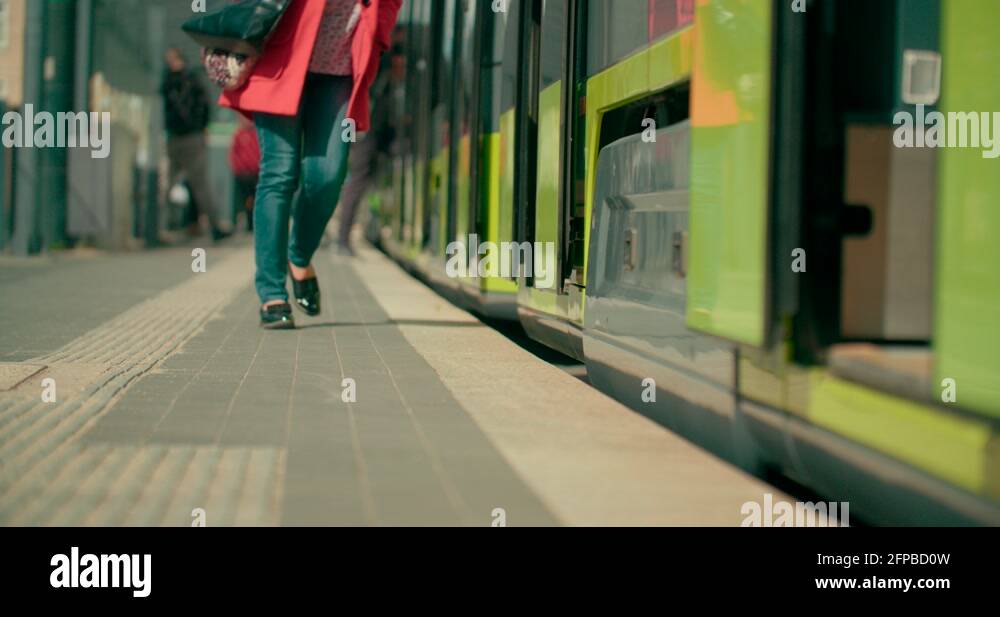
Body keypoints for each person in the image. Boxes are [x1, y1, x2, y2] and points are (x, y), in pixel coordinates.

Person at [219, 0, 403, 330]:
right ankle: (272, 293)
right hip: (280, 60)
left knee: (328, 175)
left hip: (340, 71)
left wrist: (378, 37)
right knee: (279, 173)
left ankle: (299, 255)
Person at [334, 43, 405, 256]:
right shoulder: (378, 80)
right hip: (365, 134)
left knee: (363, 180)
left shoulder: (384, 82)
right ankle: (343, 237)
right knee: (357, 181)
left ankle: (359, 230)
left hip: (374, 133)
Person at [161, 47, 231, 242]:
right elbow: (205, 105)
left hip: (181, 137)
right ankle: (215, 227)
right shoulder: (191, 81)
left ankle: (156, 228)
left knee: (173, 184)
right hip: (189, 137)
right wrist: (203, 128)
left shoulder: (167, 82)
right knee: (198, 185)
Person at [228, 115, 261, 232]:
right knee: (242, 200)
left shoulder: (257, 134)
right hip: (242, 175)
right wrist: (237, 168)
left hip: (256, 174)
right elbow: (233, 154)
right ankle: (240, 221)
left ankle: (253, 222)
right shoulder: (238, 135)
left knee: (255, 199)